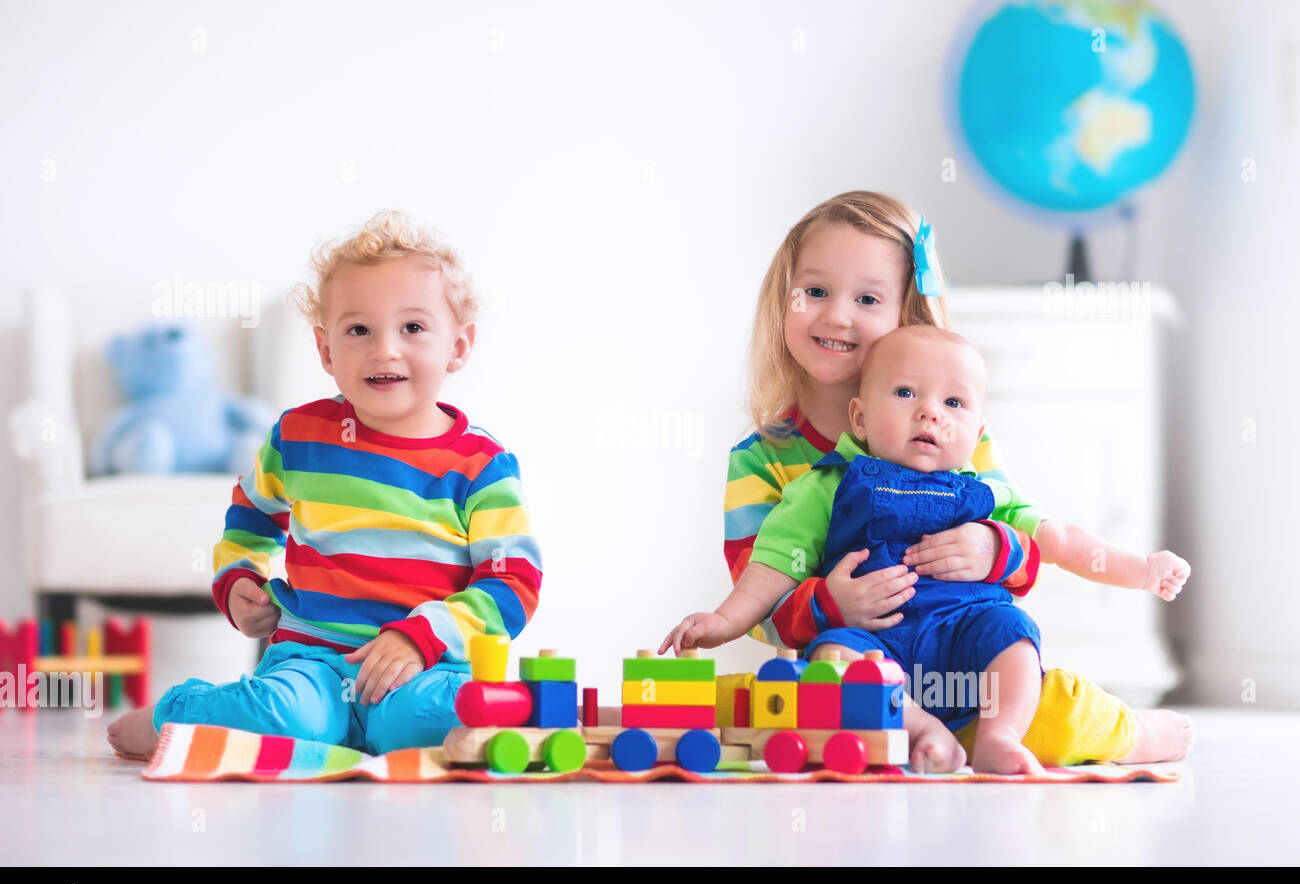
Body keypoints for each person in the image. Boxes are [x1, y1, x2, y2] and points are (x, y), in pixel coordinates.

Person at [671, 190, 1192, 770]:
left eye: (867, 298)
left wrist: (993, 547)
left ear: (907, 315)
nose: (837, 314)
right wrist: (831, 602)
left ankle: (1131, 734)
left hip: (968, 674)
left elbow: (1031, 549)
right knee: (722, 702)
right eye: (814, 291)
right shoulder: (760, 460)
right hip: (858, 674)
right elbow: (763, 603)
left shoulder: (959, 436)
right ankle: (920, 735)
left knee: (1054, 705)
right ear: (782, 301)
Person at [108, 211, 542, 757]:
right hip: (312, 663)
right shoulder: (299, 436)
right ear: (326, 350)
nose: (384, 349)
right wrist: (240, 575)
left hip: (421, 667)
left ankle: (389, 727)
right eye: (359, 329)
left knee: (446, 720)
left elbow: (514, 581)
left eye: (412, 327)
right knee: (285, 720)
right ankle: (177, 713)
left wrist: (423, 634)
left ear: (457, 346)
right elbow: (252, 512)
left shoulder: (482, 465)